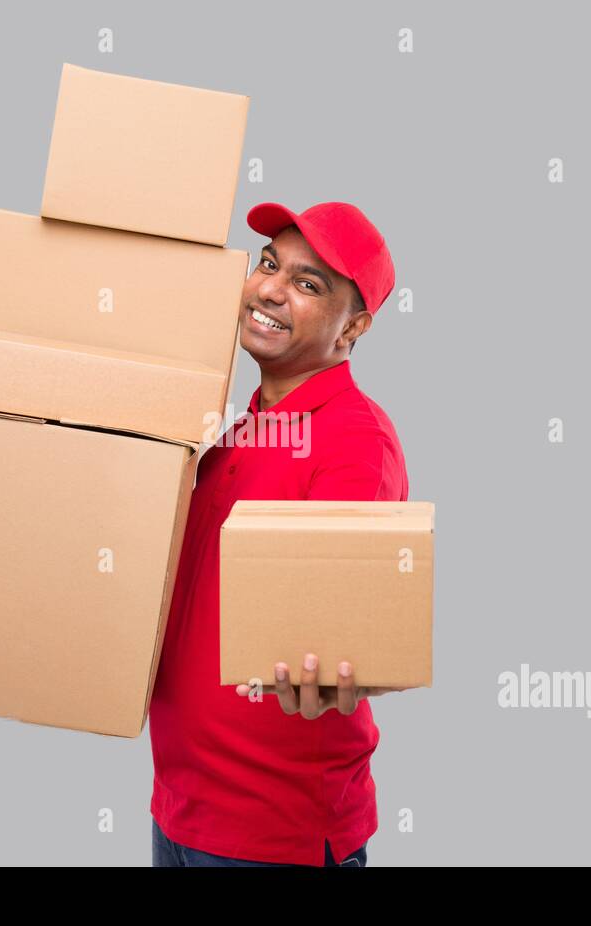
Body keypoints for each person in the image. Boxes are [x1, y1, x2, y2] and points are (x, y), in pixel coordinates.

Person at [148, 201, 411, 867]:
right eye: (269, 264)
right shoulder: (239, 428)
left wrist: (341, 665)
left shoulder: (354, 437)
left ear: (354, 325)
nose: (269, 288)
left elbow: (351, 624)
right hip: (182, 808)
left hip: (274, 833)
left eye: (308, 283)